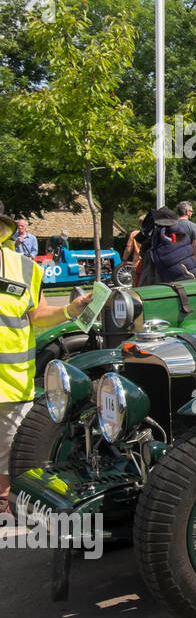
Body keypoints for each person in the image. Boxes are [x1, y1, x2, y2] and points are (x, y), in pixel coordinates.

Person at [1, 211, 93, 515]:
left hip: (10, 383)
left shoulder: (24, 268)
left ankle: (3, 503)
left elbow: (38, 315)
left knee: (7, 456)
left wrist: (71, 310)